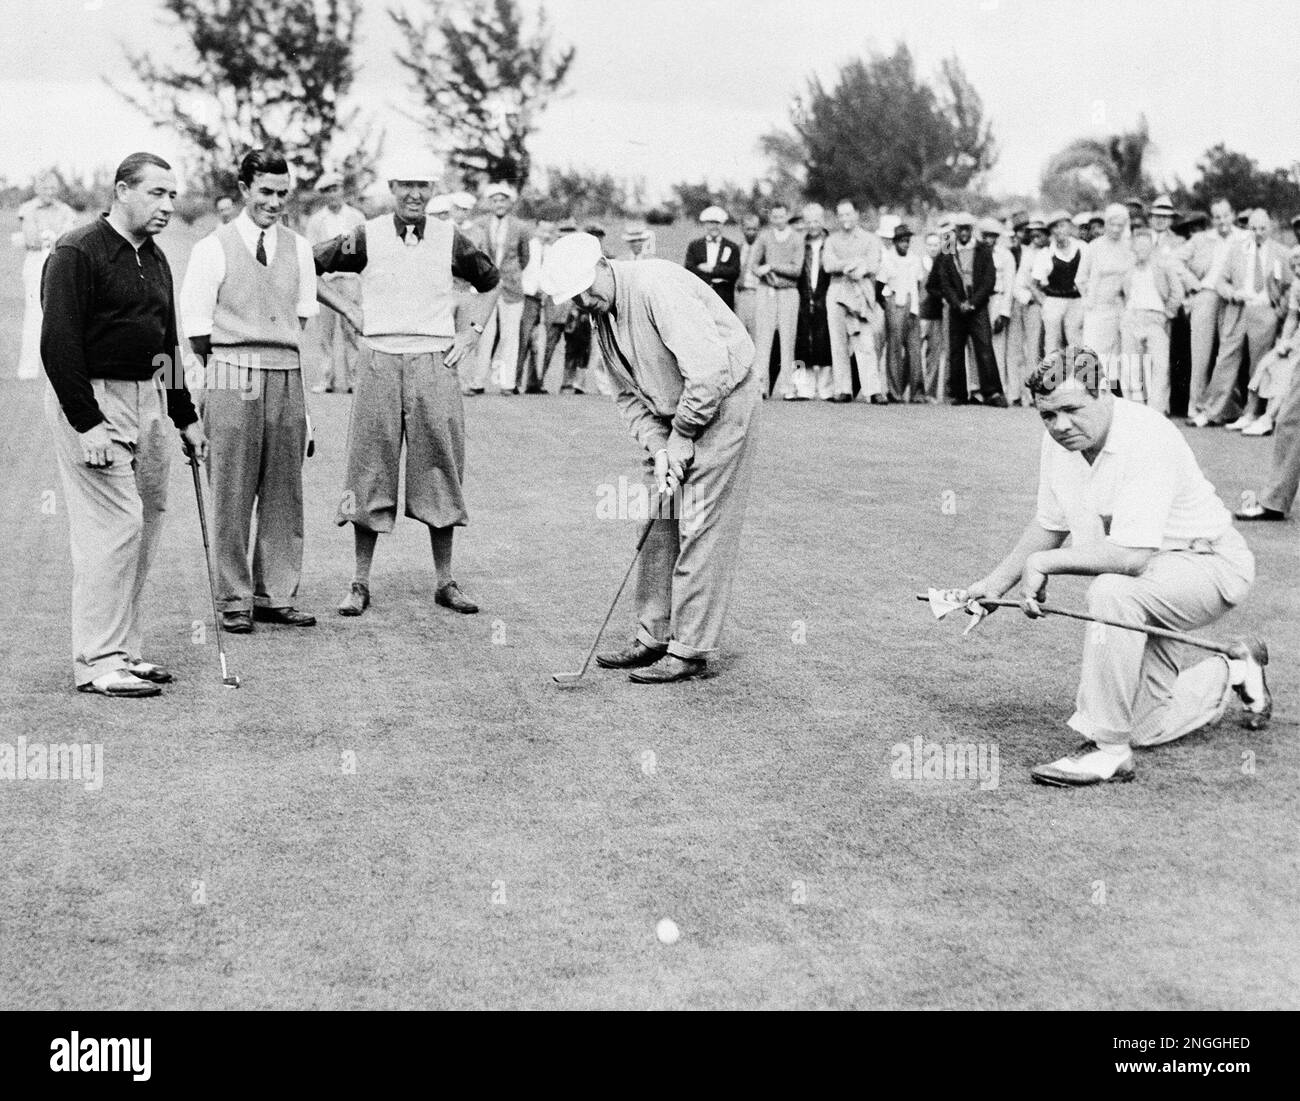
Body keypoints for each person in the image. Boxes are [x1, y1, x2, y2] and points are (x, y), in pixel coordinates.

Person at [957, 346, 1269, 785]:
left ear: (1103, 392)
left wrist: (1044, 563)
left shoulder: (1145, 436)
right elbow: (1050, 522)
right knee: (1145, 725)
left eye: (1071, 409)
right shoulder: (1061, 443)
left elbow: (1131, 556)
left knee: (1111, 591)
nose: (1060, 425)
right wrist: (994, 585)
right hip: (1153, 581)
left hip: (1208, 565)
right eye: (1048, 415)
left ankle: (1107, 751)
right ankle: (1234, 668)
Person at [540, 233, 761, 684]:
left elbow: (709, 371)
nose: (583, 301)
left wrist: (682, 433)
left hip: (724, 402)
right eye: (574, 297)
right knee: (658, 518)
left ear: (604, 264)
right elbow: (628, 398)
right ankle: (653, 635)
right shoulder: (600, 314)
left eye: (586, 288)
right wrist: (661, 448)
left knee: (698, 519)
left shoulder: (656, 286)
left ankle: (690, 649)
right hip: (672, 414)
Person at [40, 151, 207, 696]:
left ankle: (124, 650)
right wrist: (86, 423)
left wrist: (186, 416)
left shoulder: (156, 257)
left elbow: (167, 343)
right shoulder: (76, 251)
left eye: (172, 196)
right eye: (157, 193)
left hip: (150, 401)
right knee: (114, 527)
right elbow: (58, 343)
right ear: (122, 191)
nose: (167, 205)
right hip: (93, 399)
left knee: (146, 521)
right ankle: (96, 661)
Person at [312, 159, 501, 617]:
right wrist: (351, 313)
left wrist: (472, 332)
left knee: (441, 464)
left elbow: (490, 282)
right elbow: (309, 265)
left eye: (422, 184)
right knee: (369, 467)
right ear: (392, 186)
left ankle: (445, 581)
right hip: (379, 360)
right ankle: (358, 583)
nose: (414, 193)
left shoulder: (448, 235)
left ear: (431, 187)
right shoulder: (367, 234)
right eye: (406, 184)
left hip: (434, 361)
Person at [179, 148, 319, 634]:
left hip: (285, 373)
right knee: (233, 490)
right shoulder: (211, 247)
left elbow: (299, 317)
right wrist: (209, 383)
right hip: (230, 371)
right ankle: (233, 598)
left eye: (283, 193)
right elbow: (196, 330)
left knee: (284, 490)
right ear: (244, 190)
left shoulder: (299, 247)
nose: (275, 202)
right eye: (265, 192)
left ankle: (274, 594)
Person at [1192, 209, 1290, 428]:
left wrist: (1279, 311)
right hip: (1238, 309)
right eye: (1253, 228)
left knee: (1257, 365)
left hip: (1264, 311)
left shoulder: (1281, 253)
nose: (1258, 233)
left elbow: (1290, 286)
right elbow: (1220, 282)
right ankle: (1211, 411)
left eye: (1263, 228)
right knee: (1226, 360)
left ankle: (1251, 413)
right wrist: (1232, 294)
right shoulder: (1237, 251)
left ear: (1271, 227)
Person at [929, 211, 1007, 405]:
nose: (963, 233)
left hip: (978, 304)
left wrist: (973, 303)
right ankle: (958, 394)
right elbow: (943, 280)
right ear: (955, 230)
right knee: (955, 350)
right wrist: (957, 303)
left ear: (972, 230)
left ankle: (993, 393)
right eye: (960, 229)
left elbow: (989, 280)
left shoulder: (982, 249)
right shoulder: (948, 246)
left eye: (967, 229)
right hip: (957, 305)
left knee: (984, 347)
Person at [1226, 246, 1300, 436]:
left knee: (1287, 372)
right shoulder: (1297, 286)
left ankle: (1268, 418)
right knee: (1265, 364)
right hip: (1296, 338)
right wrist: (1284, 342)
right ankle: (1250, 413)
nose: (1298, 269)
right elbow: (1292, 318)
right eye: (1295, 265)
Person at [1178, 198, 1240, 418]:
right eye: (1217, 217)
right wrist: (1193, 283)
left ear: (1233, 214)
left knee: (1227, 354)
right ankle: (1195, 406)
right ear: (1212, 219)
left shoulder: (1244, 237)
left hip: (1232, 299)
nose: (1222, 221)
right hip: (1206, 294)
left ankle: (1224, 408)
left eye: (1225, 215)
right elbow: (1176, 261)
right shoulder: (1200, 239)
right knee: (1201, 353)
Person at [305, 171, 366, 394]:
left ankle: (355, 379)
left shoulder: (356, 217)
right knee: (325, 333)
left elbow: (364, 249)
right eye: (328, 191)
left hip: (350, 279)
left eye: (336, 189)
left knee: (352, 330)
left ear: (342, 190)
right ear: (323, 195)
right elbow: (310, 254)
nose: (333, 194)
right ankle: (326, 378)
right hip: (326, 282)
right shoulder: (316, 221)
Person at [465, 182, 528, 394]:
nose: (499, 204)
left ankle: (508, 383)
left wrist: (512, 274)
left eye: (503, 200)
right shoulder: (481, 224)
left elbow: (524, 257)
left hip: (512, 287)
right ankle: (478, 382)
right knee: (483, 332)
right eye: (495, 200)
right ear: (489, 203)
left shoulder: (520, 226)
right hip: (487, 285)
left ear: (510, 203)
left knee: (511, 335)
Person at [16, 171, 77, 380]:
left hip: (58, 261)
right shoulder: (28, 209)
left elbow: (67, 237)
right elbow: (31, 239)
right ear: (36, 189)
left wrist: (52, 238)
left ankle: (62, 368)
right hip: (35, 262)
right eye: (44, 188)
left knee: (61, 316)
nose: (48, 192)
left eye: (52, 188)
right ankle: (28, 369)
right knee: (34, 316)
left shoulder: (65, 210)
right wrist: (50, 237)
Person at [823, 199, 884, 402]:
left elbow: (873, 264)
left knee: (865, 340)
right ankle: (843, 389)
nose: (845, 219)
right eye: (841, 215)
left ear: (856, 214)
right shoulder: (831, 240)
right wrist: (852, 263)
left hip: (860, 290)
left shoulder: (870, 238)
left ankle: (873, 390)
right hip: (837, 288)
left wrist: (860, 267)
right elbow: (828, 265)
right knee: (838, 342)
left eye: (849, 214)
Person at [1118, 225, 1182, 412]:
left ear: (1152, 248)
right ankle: (1134, 407)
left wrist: (1167, 313)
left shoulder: (1163, 266)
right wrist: (1125, 313)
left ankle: (1157, 409)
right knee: (1131, 365)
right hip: (1132, 317)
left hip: (1155, 318)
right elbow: (1122, 293)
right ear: (1133, 248)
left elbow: (1177, 292)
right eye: (1138, 247)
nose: (1142, 251)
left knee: (1159, 365)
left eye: (1146, 247)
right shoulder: (1128, 269)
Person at [749, 203, 804, 398]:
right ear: (770, 217)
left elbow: (796, 269)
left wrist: (772, 266)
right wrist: (763, 273)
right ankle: (761, 385)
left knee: (788, 339)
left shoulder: (797, 238)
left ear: (787, 216)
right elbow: (753, 264)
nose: (778, 220)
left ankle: (788, 387)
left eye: (782, 216)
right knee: (763, 340)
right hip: (767, 292)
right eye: (775, 217)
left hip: (788, 292)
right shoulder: (764, 236)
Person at [1076, 203, 1134, 379]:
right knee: (1093, 350)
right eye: (1112, 224)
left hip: (1118, 307)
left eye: (1120, 225)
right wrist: (1088, 300)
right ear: (1106, 224)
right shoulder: (1094, 247)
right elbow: (1080, 278)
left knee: (1116, 355)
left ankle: (1112, 397)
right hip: (1096, 307)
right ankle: (1089, 394)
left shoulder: (1128, 248)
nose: (1116, 229)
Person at [878, 222, 925, 402]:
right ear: (895, 242)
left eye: (907, 241)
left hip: (911, 303)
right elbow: (879, 286)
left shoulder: (914, 259)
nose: (905, 244)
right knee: (894, 349)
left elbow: (919, 282)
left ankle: (917, 392)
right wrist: (887, 304)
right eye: (902, 241)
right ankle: (895, 391)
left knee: (914, 349)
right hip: (895, 302)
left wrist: (914, 303)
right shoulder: (888, 259)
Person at [792, 203, 833, 400]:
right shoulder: (799, 243)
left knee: (825, 345)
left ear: (822, 221)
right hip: (802, 297)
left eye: (816, 221)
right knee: (800, 347)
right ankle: (802, 389)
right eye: (808, 222)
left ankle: (826, 389)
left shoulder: (831, 243)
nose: (813, 225)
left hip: (824, 297)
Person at [513, 218, 559, 394]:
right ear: (536, 229)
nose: (546, 235)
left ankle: (535, 383)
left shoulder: (552, 251)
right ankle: (514, 382)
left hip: (545, 300)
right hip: (527, 297)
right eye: (543, 231)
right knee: (522, 340)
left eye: (550, 231)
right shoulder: (528, 246)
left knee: (541, 342)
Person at [1006, 214, 1047, 404]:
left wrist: (1032, 296)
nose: (1032, 236)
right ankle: (1014, 393)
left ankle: (1032, 394)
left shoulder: (1046, 252)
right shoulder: (1014, 250)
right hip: (1016, 301)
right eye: (1028, 232)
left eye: (1038, 233)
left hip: (1034, 303)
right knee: (1015, 350)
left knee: (1033, 349)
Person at [1032, 210, 1084, 356]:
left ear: (1069, 227)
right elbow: (1033, 284)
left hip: (1077, 301)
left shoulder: (1082, 248)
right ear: (1051, 231)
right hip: (1054, 301)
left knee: (1076, 341)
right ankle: (1053, 377)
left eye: (1062, 226)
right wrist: (1045, 302)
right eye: (1055, 227)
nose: (1059, 230)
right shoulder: (1046, 253)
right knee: (1052, 343)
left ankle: (1078, 377)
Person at [981, 216, 1018, 398]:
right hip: (981, 301)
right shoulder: (978, 253)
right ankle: (982, 389)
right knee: (980, 345)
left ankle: (1000, 387)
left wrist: (1004, 312)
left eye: (993, 236)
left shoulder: (1005, 255)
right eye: (986, 236)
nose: (990, 240)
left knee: (998, 345)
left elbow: (1010, 285)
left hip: (998, 298)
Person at [684, 206, 742, 311]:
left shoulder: (732, 247)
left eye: (717, 223)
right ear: (705, 224)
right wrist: (708, 280)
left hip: (724, 296)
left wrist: (712, 269)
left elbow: (734, 272)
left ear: (723, 224)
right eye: (711, 223)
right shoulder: (695, 245)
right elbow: (689, 268)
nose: (714, 227)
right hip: (700, 294)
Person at [919, 229, 946, 401]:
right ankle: (915, 391)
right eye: (930, 244)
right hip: (921, 314)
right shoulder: (919, 263)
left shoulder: (944, 264)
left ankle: (930, 392)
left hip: (937, 315)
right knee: (914, 353)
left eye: (936, 245)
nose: (933, 248)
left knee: (934, 355)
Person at [734, 214, 762, 341]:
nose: (751, 232)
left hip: (756, 293)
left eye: (754, 229)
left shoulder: (762, 249)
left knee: (757, 332)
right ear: (742, 229)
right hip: (741, 294)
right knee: (740, 332)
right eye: (748, 229)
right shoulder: (738, 248)